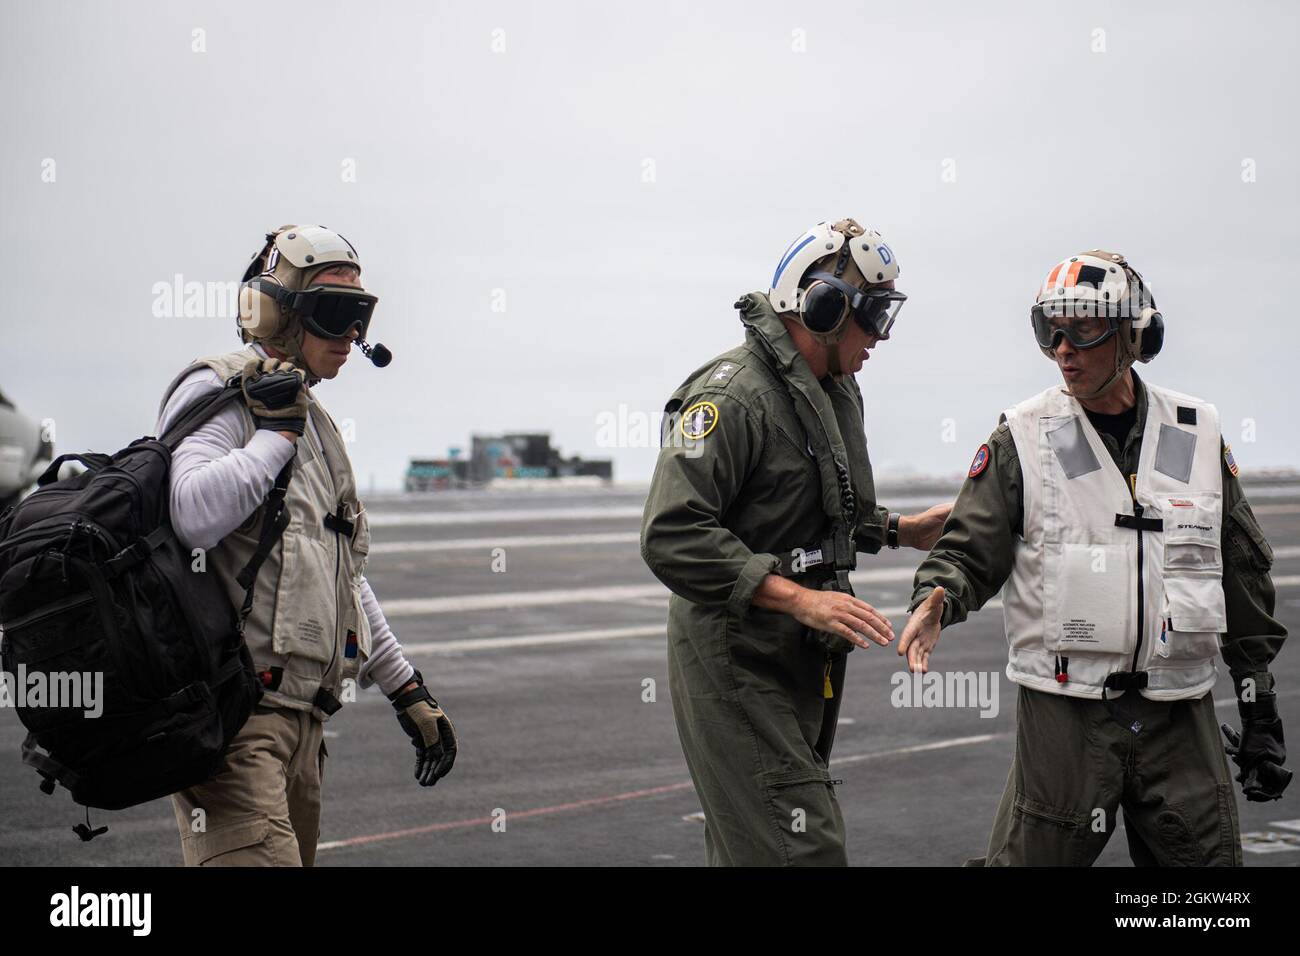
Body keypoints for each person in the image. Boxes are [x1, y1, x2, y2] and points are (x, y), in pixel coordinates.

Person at [899, 250, 1288, 866]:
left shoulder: (1195, 432)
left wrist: (1257, 700)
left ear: (1134, 335)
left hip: (1179, 712)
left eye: (1084, 328)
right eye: (1049, 330)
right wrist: (937, 599)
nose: (1063, 348)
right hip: (1066, 715)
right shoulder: (1024, 436)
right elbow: (971, 545)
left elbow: (1238, 570)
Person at [640, 218, 950, 865]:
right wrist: (798, 599)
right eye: (872, 316)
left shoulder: (831, 393)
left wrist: (900, 530)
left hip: (802, 656)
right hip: (737, 655)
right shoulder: (731, 397)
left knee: (757, 846)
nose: (879, 338)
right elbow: (672, 533)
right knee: (802, 843)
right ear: (823, 306)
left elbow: (819, 509)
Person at [155, 224, 457, 866]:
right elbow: (190, 512)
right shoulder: (223, 392)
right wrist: (273, 438)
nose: (351, 336)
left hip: (303, 725)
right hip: (238, 724)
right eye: (334, 314)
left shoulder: (309, 418)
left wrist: (405, 688)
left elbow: (340, 568)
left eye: (359, 315)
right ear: (276, 313)